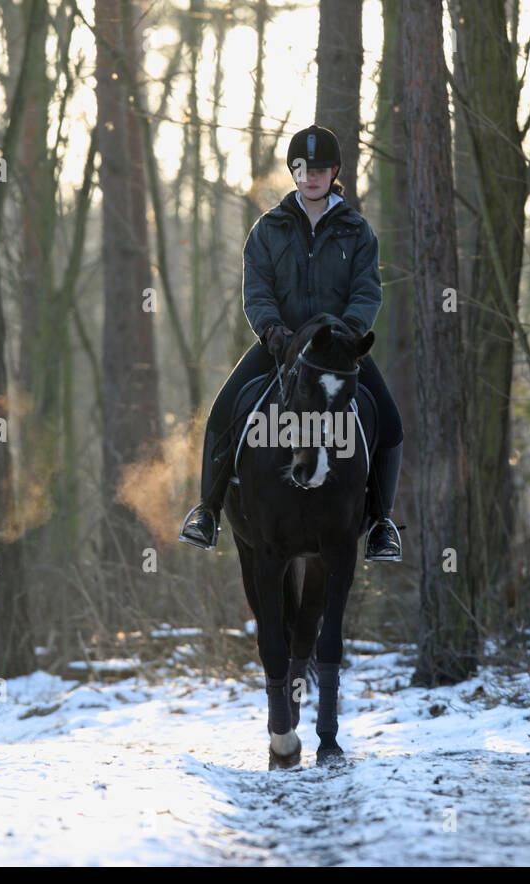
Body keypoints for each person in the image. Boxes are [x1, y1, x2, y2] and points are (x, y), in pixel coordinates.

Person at [179, 125, 403, 560]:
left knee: (390, 423)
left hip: (337, 355)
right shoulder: (268, 230)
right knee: (222, 412)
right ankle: (207, 512)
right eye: (300, 168)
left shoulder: (358, 231)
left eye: (318, 169)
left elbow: (367, 291)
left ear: (333, 171)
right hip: (280, 346)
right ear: (293, 172)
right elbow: (257, 290)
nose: (309, 176)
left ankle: (381, 524)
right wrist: (273, 331)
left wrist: (347, 334)